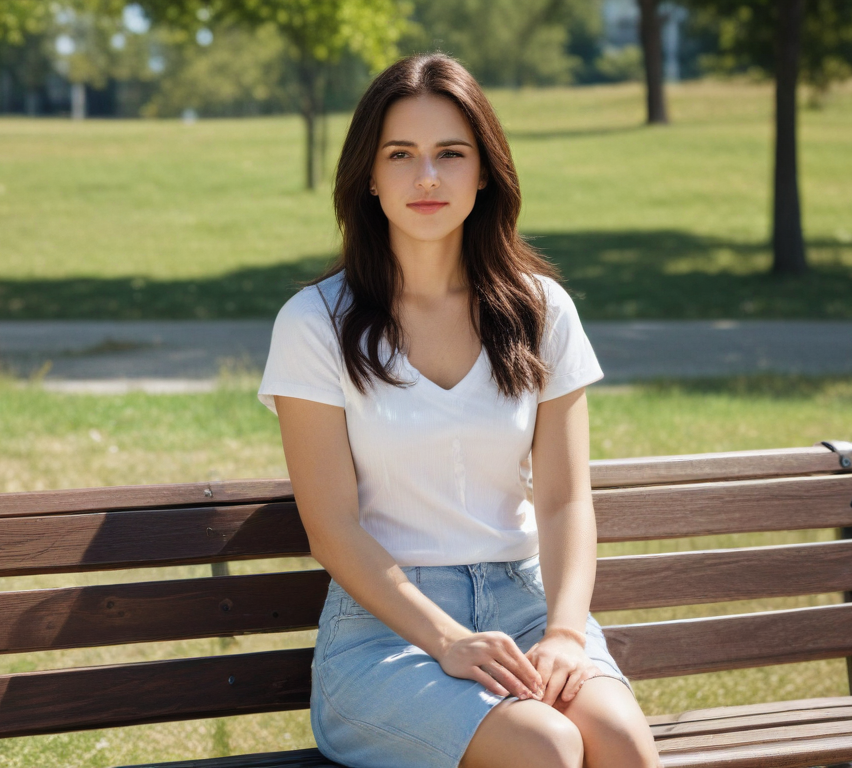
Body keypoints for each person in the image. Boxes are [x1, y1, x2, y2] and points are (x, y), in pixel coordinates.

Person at [257, 53, 659, 768]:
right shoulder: (314, 322)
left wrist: (566, 631)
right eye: (401, 155)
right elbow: (332, 527)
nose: (428, 177)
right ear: (370, 178)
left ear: (485, 172)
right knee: (546, 746)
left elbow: (565, 500)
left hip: (529, 608)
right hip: (387, 633)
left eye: (451, 153)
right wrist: (445, 638)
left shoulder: (541, 311)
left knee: (621, 744)